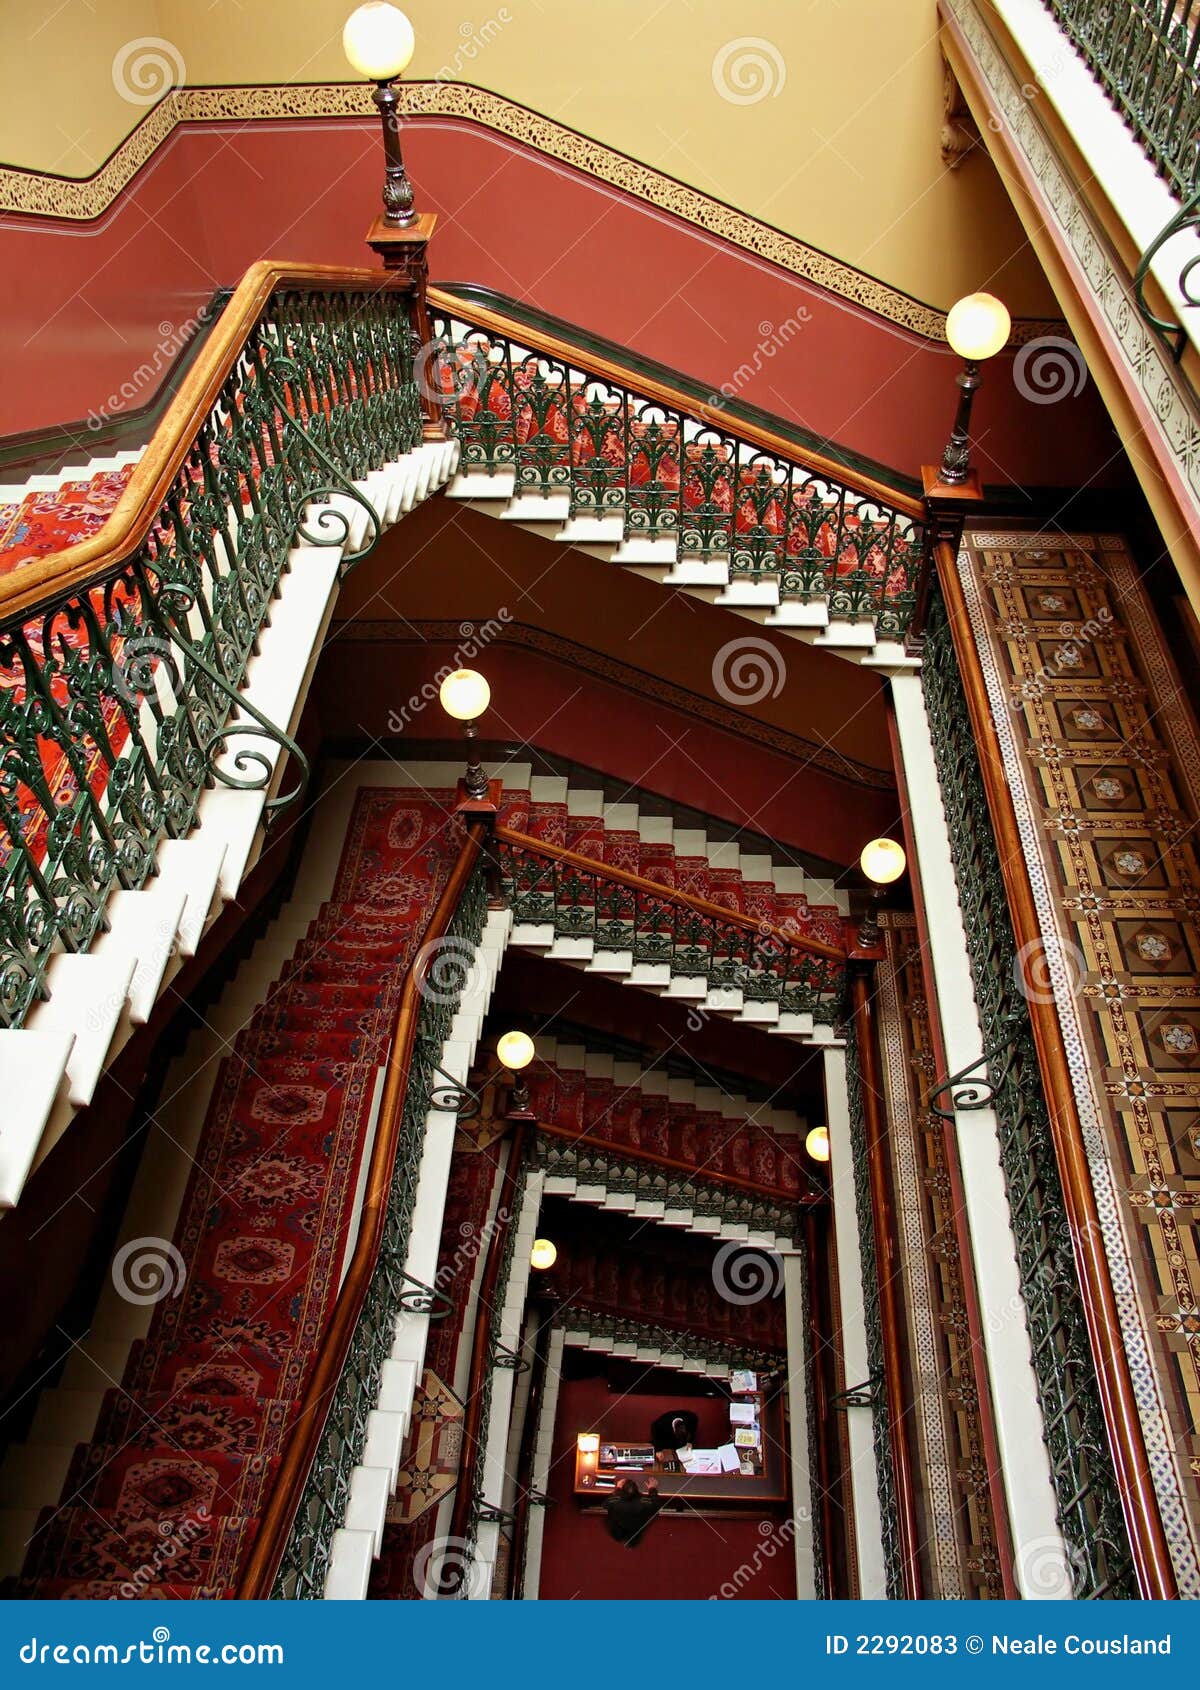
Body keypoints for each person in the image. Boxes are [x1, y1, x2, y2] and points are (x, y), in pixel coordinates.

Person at [603, 1477, 664, 1548]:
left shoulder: (614, 1500)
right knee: (634, 1537)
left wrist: (618, 1489)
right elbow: (656, 1505)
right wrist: (652, 1489)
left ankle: (619, 1539)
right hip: (636, 1526)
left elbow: (605, 1504)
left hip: (618, 1525)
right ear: (637, 1490)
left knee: (617, 1533)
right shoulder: (643, 1501)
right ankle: (632, 1543)